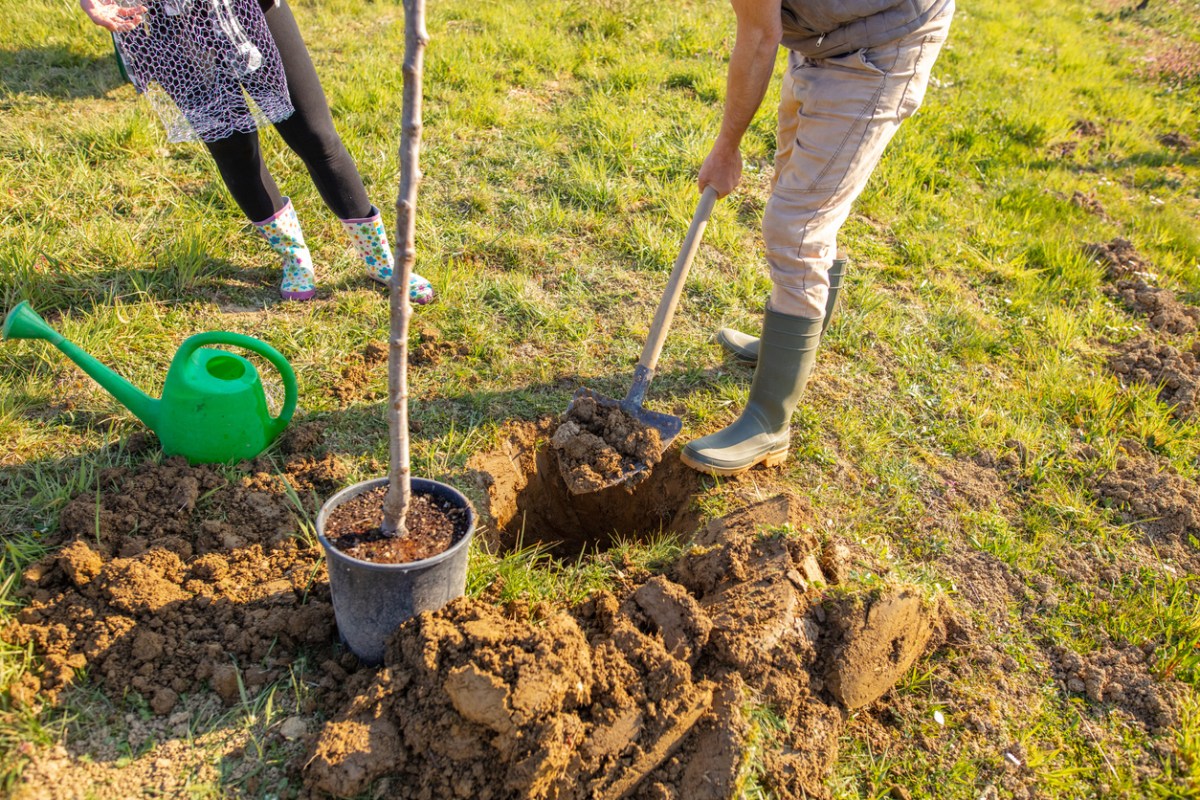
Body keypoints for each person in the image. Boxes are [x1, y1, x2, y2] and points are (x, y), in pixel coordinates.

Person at [680, 0, 953, 476]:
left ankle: (769, 420)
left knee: (798, 224)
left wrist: (727, 148)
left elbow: (759, 37)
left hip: (881, 44)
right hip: (824, 36)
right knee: (800, 189)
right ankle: (787, 351)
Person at [79, 0, 434, 304]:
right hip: (166, 18)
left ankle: (380, 261)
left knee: (315, 136)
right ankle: (294, 256)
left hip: (249, 5)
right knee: (233, 150)